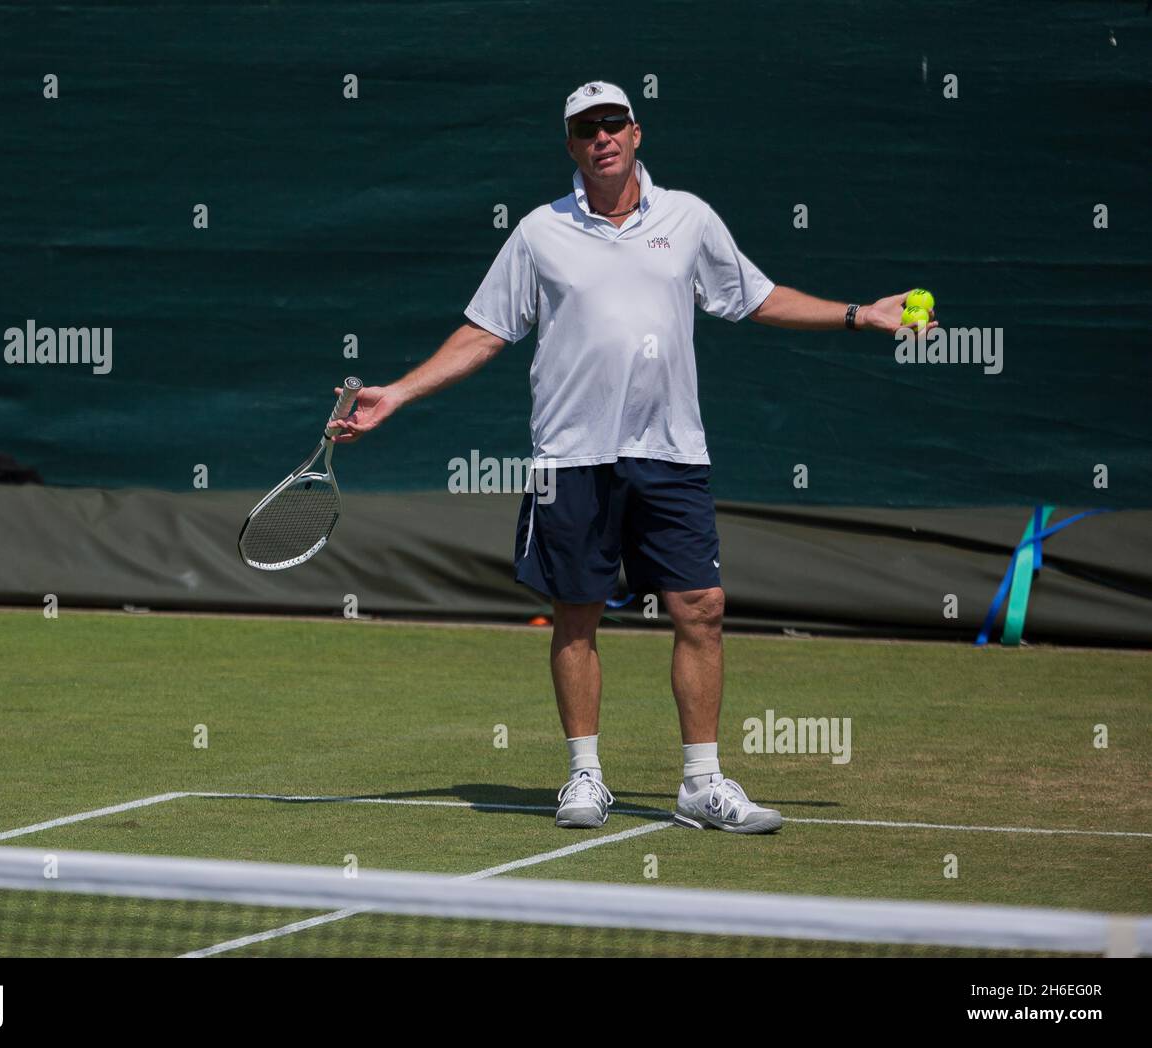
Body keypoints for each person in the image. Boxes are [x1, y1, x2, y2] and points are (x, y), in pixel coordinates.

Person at [329, 80, 931, 834]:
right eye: (586, 129)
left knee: (701, 610)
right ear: (572, 145)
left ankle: (702, 784)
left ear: (636, 133)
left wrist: (858, 314)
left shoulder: (689, 219)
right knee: (575, 616)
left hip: (670, 453)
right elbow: (484, 331)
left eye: (614, 123)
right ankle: (585, 776)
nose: (602, 138)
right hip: (571, 457)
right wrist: (399, 394)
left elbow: (756, 296)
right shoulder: (537, 233)